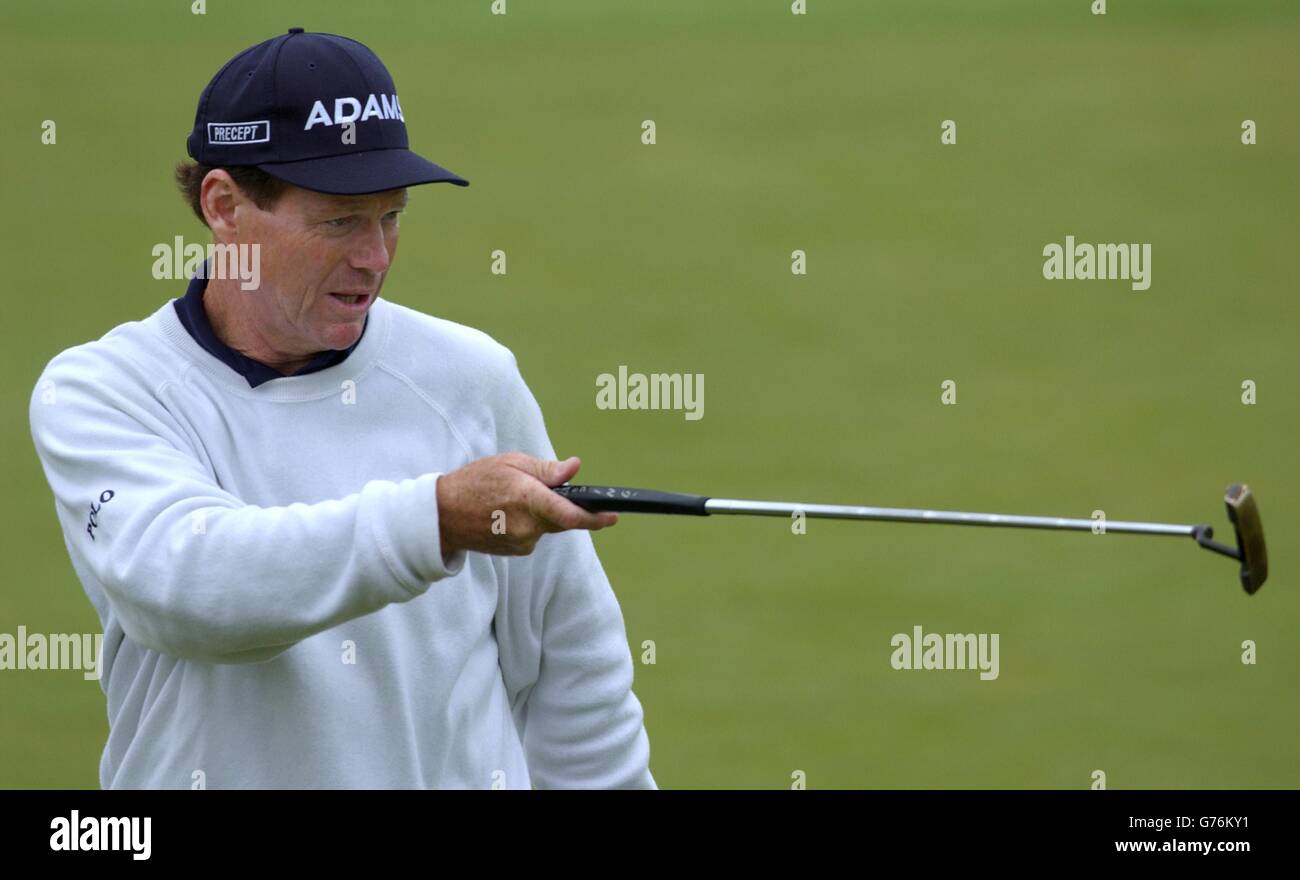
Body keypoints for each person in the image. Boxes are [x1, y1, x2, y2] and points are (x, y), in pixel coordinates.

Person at [28, 28, 655, 789]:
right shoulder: (104, 392)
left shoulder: (471, 377)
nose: (376, 256)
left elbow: (572, 672)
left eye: (391, 216)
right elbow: (191, 589)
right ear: (223, 205)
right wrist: (436, 517)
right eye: (340, 221)